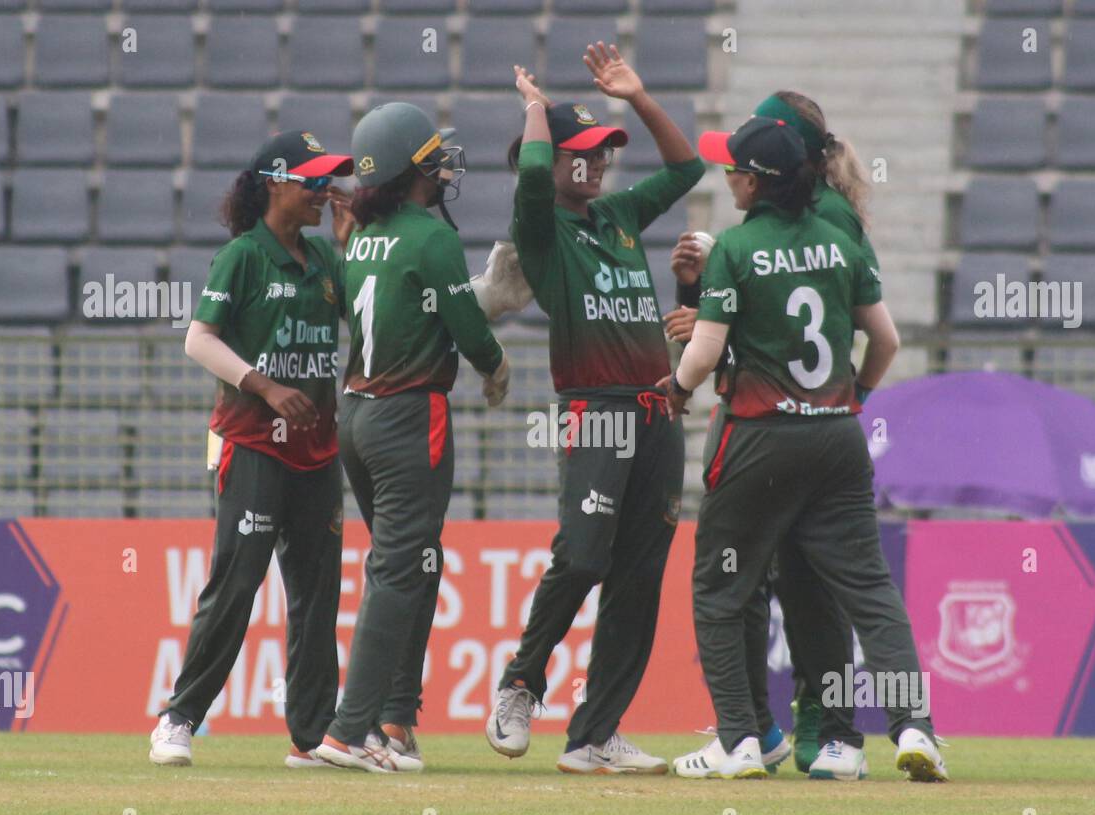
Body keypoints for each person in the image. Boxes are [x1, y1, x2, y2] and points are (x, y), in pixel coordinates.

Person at [661, 115, 948, 782]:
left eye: (735, 168)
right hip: (837, 438)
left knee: (719, 588)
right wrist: (856, 397)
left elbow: (703, 353)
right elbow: (887, 342)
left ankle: (738, 742)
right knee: (871, 592)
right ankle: (916, 730)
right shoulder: (838, 239)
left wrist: (674, 389)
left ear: (757, 182)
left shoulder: (734, 246)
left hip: (760, 439)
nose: (728, 174)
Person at [484, 45, 703, 774]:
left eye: (605, 150)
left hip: (658, 410)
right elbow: (538, 172)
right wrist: (536, 113)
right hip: (596, 410)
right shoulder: (540, 229)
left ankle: (594, 736)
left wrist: (637, 99)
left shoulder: (614, 216)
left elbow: (685, 170)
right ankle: (520, 683)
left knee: (639, 576)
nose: (601, 162)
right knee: (582, 555)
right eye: (587, 152)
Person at [313, 103, 510, 773]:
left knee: (415, 565)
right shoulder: (430, 236)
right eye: (432, 155)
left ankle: (396, 720)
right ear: (408, 167)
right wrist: (497, 367)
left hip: (356, 417)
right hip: (407, 417)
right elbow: (466, 326)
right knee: (400, 570)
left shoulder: (362, 237)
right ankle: (350, 731)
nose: (444, 163)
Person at [149, 131, 353, 769]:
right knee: (237, 584)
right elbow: (198, 339)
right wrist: (264, 385)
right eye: (312, 181)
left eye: (329, 181)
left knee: (317, 593)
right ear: (276, 182)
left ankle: (312, 737)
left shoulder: (324, 259)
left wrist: (351, 248)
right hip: (253, 444)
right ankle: (178, 720)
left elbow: (368, 315)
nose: (324, 192)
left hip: (318, 453)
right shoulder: (242, 256)